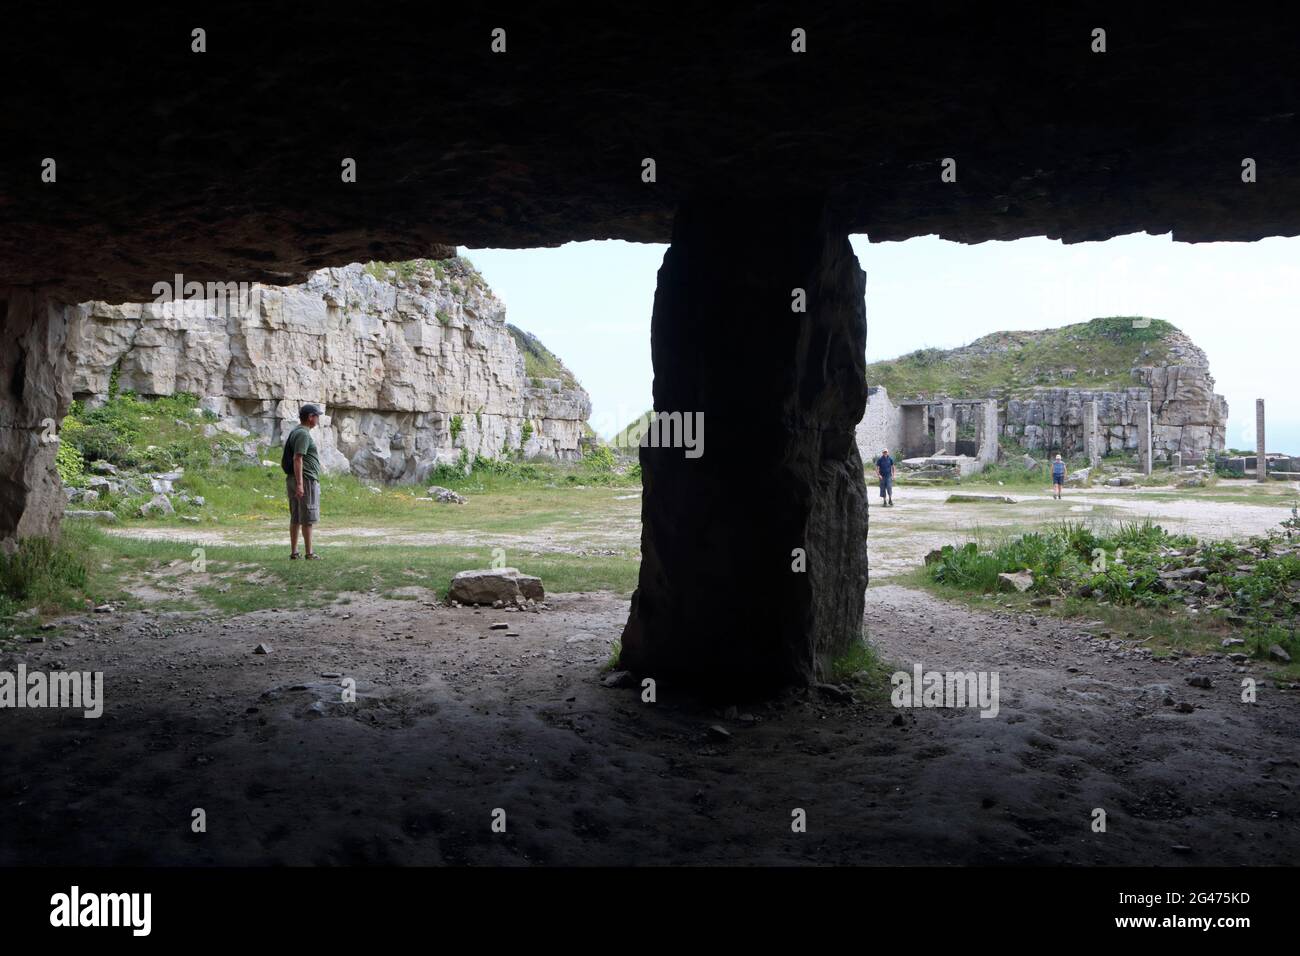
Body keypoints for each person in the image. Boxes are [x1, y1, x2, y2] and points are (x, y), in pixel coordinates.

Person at [282, 403, 323, 559]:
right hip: (304, 480)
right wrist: (300, 484)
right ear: (310, 417)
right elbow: (298, 458)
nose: (318, 419)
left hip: (296, 479)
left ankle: (294, 552)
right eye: (317, 416)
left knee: (296, 517)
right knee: (307, 518)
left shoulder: (296, 431)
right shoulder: (303, 434)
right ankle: (309, 553)